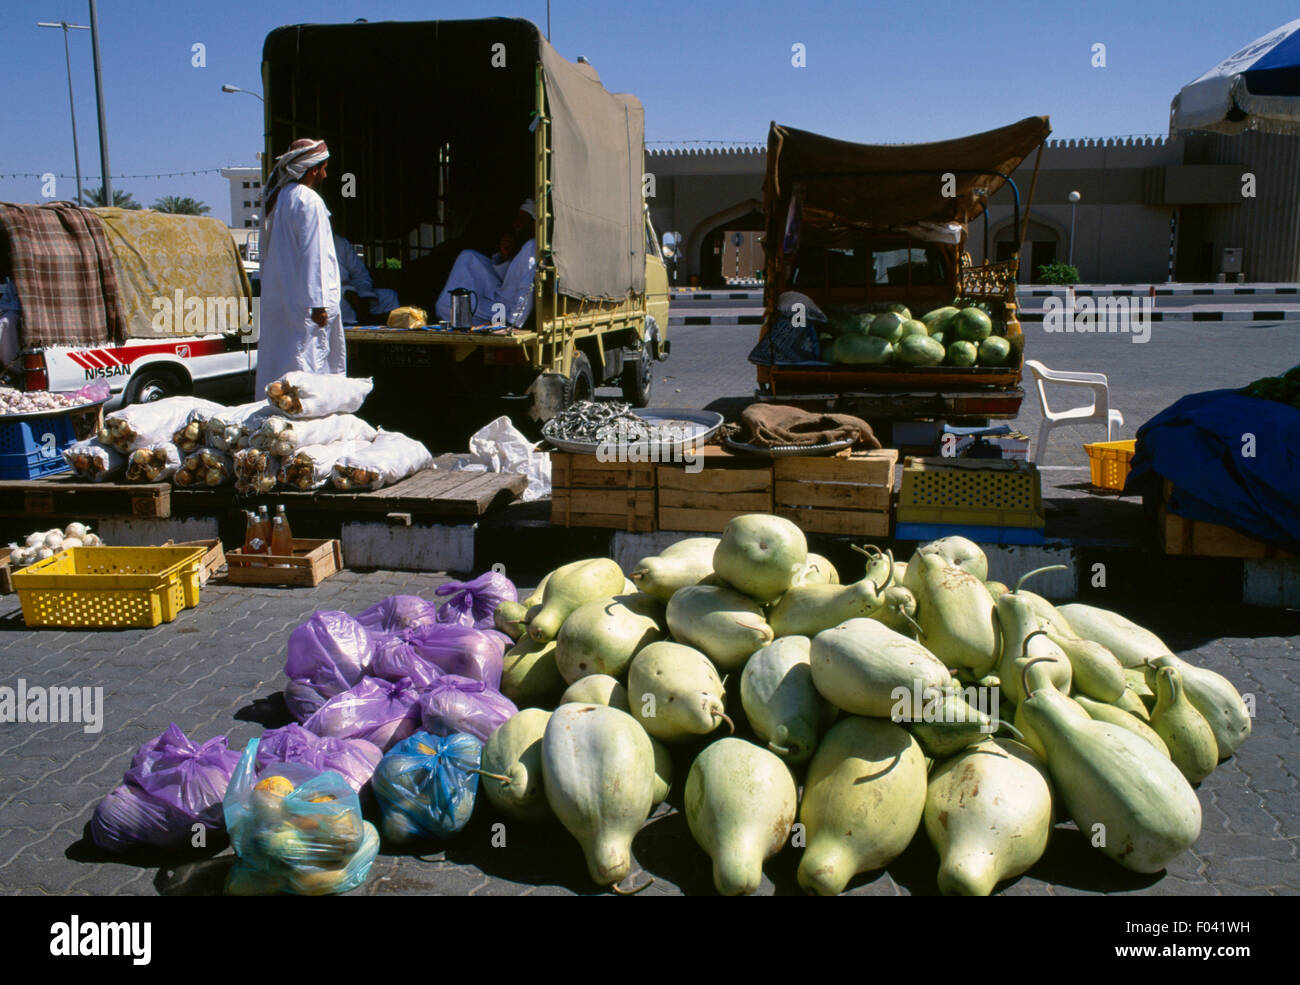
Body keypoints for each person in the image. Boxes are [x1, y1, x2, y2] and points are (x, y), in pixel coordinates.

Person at [255, 138, 343, 394]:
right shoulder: (308, 200)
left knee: (282, 366)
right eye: (324, 168)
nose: (326, 174)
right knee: (308, 371)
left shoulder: (279, 199)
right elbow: (313, 254)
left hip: (283, 303)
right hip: (307, 307)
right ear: (314, 168)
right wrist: (319, 304)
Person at [434, 199, 537, 328]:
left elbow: (527, 287)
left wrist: (512, 323)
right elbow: (506, 279)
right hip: (497, 300)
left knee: (449, 307)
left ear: (533, 223)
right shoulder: (523, 247)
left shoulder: (532, 246)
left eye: (522, 218)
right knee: (468, 256)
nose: (516, 223)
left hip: (505, 310)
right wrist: (505, 257)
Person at [333, 233, 399, 325]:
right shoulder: (310, 242)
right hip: (334, 295)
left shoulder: (340, 241)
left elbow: (360, 274)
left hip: (355, 293)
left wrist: (364, 295)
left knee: (390, 296)